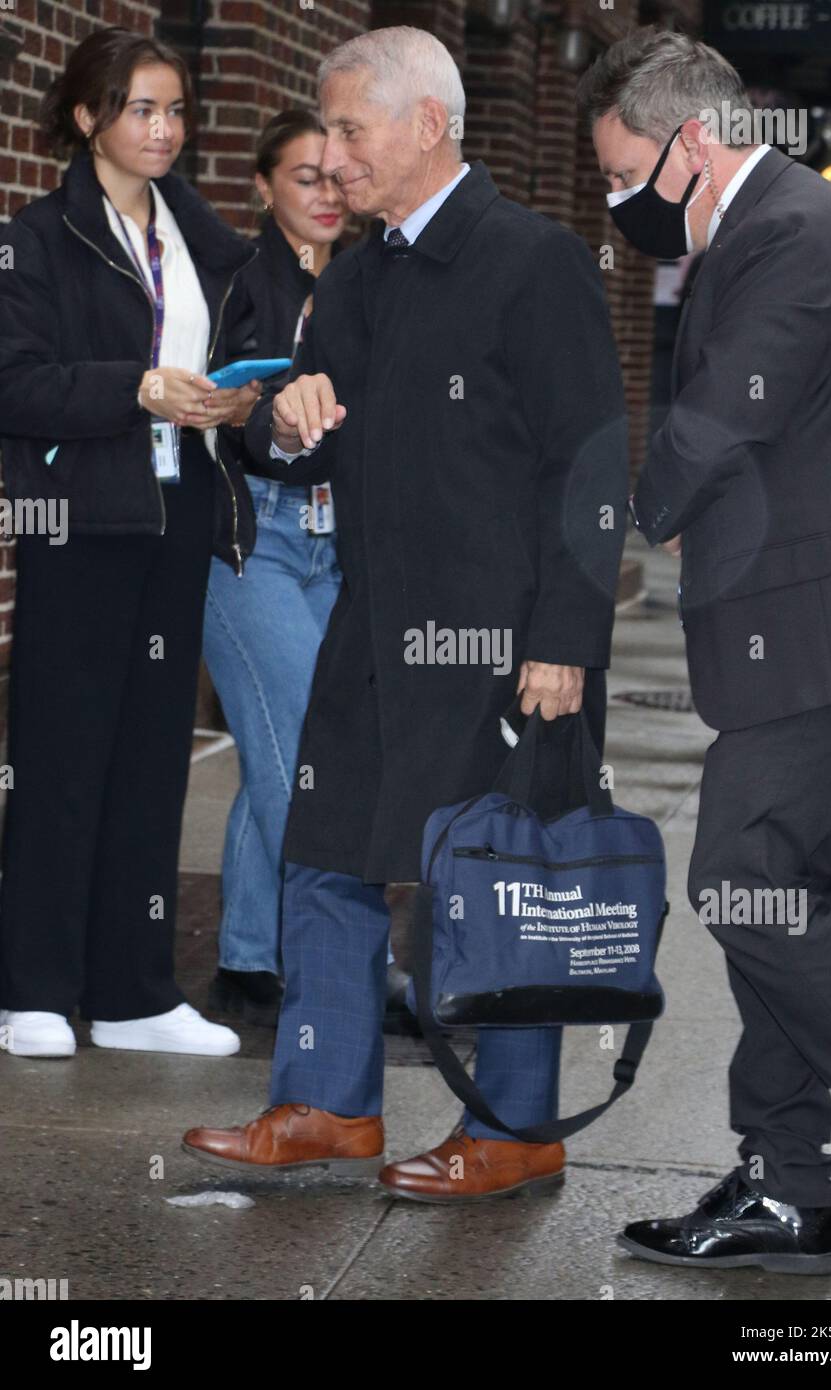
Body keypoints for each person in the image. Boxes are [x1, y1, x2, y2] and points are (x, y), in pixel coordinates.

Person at [182, 24, 629, 1199]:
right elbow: (299, 442)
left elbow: (588, 465)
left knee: (496, 876)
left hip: (501, 642)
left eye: (346, 128)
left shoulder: (534, 261)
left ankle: (515, 1127)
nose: (329, 155)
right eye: (320, 131)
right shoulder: (362, 270)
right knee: (324, 852)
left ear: (426, 124)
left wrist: (563, 641)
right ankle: (328, 1104)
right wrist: (281, 421)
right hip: (367, 624)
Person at [580, 26, 831, 1272]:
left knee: (734, 878)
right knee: (778, 888)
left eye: (624, 177)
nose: (618, 204)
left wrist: (617, 522)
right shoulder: (764, 224)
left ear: (694, 143)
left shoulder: (791, 236)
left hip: (829, 630)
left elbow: (726, 413)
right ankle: (783, 1188)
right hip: (810, 623)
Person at [0, 27, 263, 1059]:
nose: (164, 129)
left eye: (177, 110)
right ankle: (30, 986)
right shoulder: (37, 237)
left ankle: (133, 990)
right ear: (87, 119)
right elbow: (13, 382)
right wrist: (135, 387)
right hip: (82, 520)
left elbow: (226, 357)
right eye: (141, 109)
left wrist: (234, 401)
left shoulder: (203, 237)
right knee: (62, 754)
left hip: (178, 509)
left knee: (153, 756)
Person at [203, 111, 345, 1027]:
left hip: (338, 541)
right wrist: (242, 404)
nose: (327, 195)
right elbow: (197, 397)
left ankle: (251, 955)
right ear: (263, 186)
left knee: (288, 751)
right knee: (296, 753)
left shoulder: (371, 278)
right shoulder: (236, 278)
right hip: (251, 541)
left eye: (338, 178)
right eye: (305, 178)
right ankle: (331, 954)